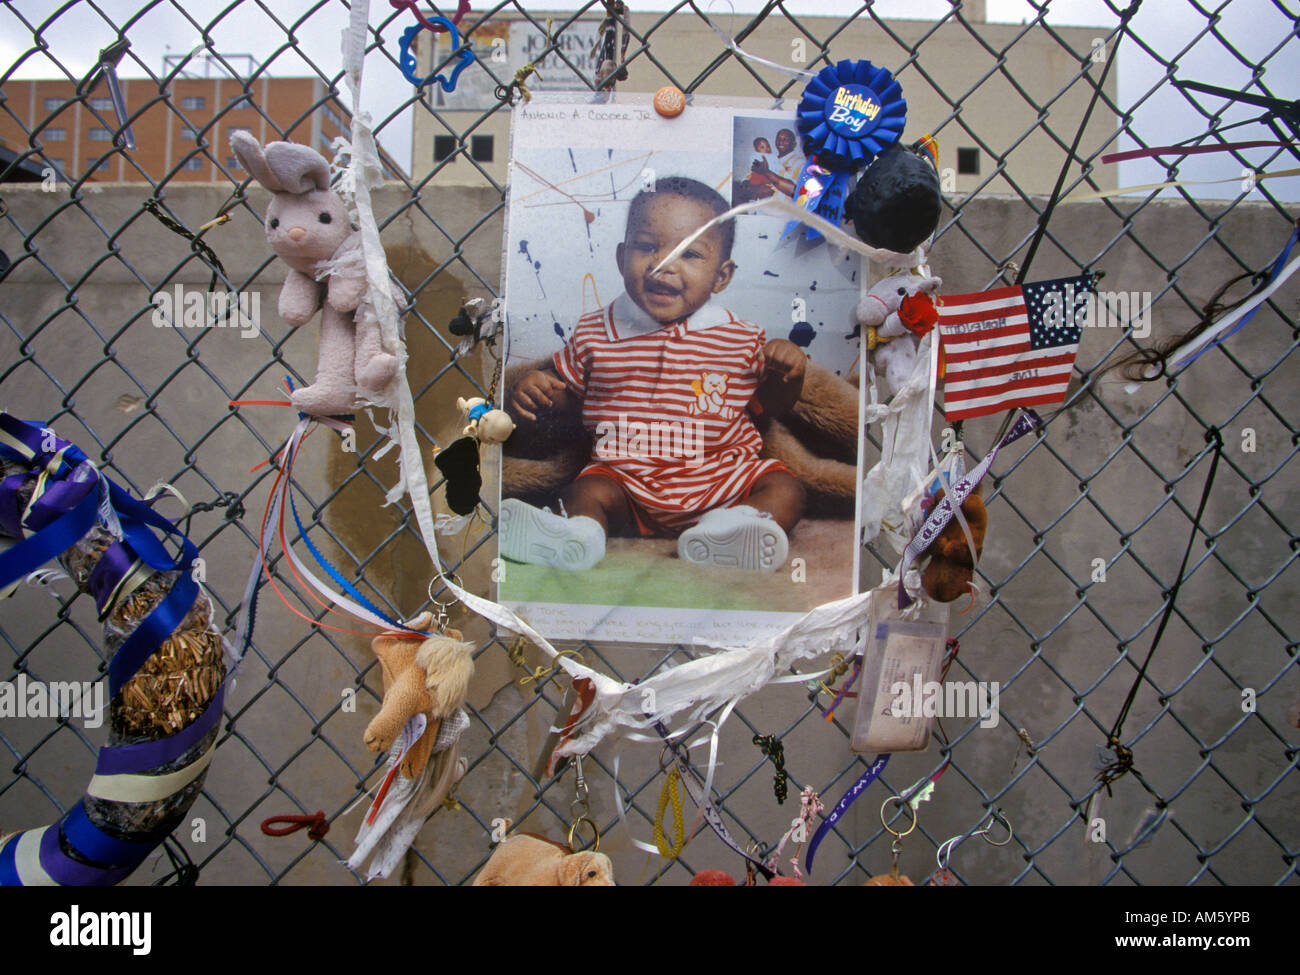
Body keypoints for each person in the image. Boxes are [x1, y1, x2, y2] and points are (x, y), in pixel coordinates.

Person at [503, 176, 807, 573]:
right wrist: (538, 392)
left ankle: (731, 530)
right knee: (585, 490)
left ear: (722, 276)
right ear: (620, 257)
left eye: (691, 255)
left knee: (786, 489)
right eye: (648, 247)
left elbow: (771, 408)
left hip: (722, 480)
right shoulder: (596, 332)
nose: (663, 265)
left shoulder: (740, 337)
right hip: (626, 483)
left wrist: (788, 372)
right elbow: (569, 402)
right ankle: (579, 537)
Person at [750, 128, 804, 199]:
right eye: (778, 139)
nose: (781, 142)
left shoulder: (799, 163)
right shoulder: (769, 158)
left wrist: (766, 172)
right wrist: (758, 188)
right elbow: (748, 180)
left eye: (786, 139)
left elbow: (796, 191)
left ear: (794, 144)